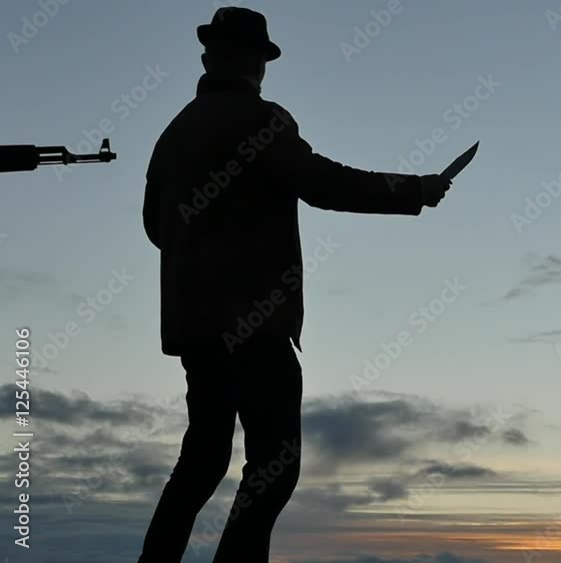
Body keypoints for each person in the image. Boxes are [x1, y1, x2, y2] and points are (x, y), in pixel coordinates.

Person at [137, 7, 452, 562]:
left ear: (211, 57)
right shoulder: (262, 121)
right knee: (274, 464)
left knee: (203, 460)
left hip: (196, 330)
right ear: (255, 63)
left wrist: (202, 255)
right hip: (255, 327)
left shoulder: (174, 133)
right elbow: (323, 183)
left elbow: (154, 229)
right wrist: (413, 189)